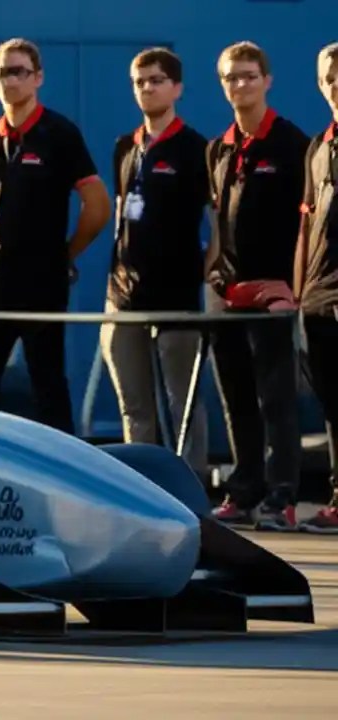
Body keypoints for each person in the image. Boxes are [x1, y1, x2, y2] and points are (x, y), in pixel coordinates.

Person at [0, 39, 111, 432]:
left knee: (47, 385)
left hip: (42, 281)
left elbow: (97, 205)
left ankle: (64, 480)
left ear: (38, 77)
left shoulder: (59, 133)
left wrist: (66, 254)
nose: (9, 80)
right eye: (1, 73)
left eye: (18, 71)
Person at [205, 41, 309, 531]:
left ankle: (281, 495)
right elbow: (218, 222)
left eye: (248, 76)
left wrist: (290, 287)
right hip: (230, 296)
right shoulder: (219, 146)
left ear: (267, 81)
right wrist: (216, 278)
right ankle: (244, 489)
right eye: (231, 77)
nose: (240, 85)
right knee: (236, 397)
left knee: (276, 398)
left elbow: (307, 224)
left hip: (274, 299)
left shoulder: (292, 144)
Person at [100, 47, 210, 478]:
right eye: (139, 82)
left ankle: (192, 487)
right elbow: (119, 209)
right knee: (135, 406)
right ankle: (142, 490)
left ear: (177, 88)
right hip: (124, 296)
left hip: (176, 295)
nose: (147, 88)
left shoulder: (196, 148)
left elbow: (214, 223)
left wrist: (208, 274)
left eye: (156, 80)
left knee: (182, 403)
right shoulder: (125, 146)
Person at [294, 42, 338, 533]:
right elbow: (305, 227)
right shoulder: (317, 145)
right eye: (329, 76)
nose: (336, 83)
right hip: (318, 297)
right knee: (332, 405)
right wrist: (298, 290)